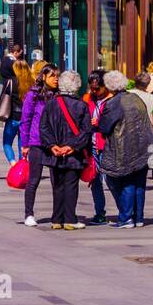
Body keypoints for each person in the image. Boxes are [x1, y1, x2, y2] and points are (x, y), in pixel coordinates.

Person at [96, 70, 153, 228]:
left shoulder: (113, 103)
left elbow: (104, 127)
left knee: (122, 181)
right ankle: (138, 217)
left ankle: (125, 217)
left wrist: (96, 122)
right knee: (139, 183)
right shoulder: (135, 98)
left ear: (109, 87)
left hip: (124, 147)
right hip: (143, 146)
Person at [37, 70, 92, 230]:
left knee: (58, 186)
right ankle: (69, 218)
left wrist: (52, 145)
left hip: (54, 154)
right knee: (71, 185)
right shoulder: (81, 106)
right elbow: (86, 131)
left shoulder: (51, 103)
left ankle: (56, 219)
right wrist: (72, 146)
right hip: (73, 154)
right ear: (76, 86)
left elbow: (43, 127)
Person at [19, 64, 60, 226]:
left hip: (55, 143)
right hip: (37, 142)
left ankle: (57, 214)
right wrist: (25, 144)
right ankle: (28, 213)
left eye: (57, 76)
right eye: (52, 76)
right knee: (33, 180)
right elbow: (26, 119)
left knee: (56, 181)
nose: (56, 79)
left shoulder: (59, 95)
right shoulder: (33, 95)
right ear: (43, 77)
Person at [83, 69, 112, 225]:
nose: (94, 91)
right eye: (91, 88)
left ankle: (125, 211)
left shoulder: (113, 100)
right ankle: (100, 213)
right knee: (95, 181)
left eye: (97, 88)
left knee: (112, 182)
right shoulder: (88, 99)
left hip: (107, 146)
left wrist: (99, 122)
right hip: (92, 146)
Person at [0, 60, 31, 164]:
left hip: (13, 117)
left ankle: (13, 163)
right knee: (22, 145)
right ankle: (22, 166)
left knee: (7, 143)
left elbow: (2, 98)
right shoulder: (32, 83)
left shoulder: (11, 82)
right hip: (26, 119)